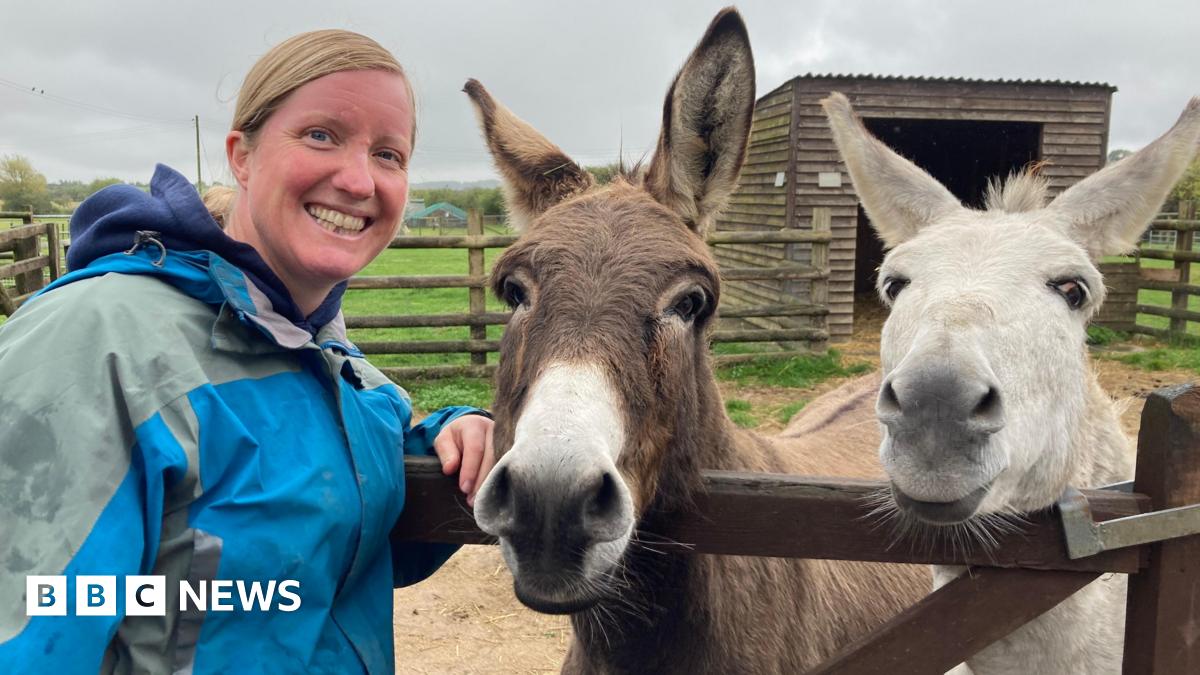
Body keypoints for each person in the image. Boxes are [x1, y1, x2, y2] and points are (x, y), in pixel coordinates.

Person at [0, 30, 495, 673]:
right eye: (320, 135)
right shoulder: (98, 343)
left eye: (388, 154)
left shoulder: (319, 352)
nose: (357, 179)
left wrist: (454, 431)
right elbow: (32, 630)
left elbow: (331, 549)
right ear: (241, 154)